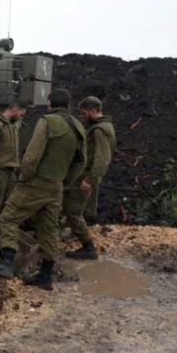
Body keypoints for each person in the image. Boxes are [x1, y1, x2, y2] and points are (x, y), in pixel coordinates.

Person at [0, 89, 86, 290]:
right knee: (48, 228)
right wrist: (64, 182)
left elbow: (32, 156)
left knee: (8, 217)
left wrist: (24, 178)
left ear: (49, 103)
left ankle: (7, 264)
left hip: (36, 183)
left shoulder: (47, 122)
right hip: (56, 186)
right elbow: (81, 161)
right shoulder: (78, 125)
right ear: (68, 104)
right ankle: (45, 275)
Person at [62, 96, 116, 259]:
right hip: (86, 175)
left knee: (73, 211)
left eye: (85, 113)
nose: (83, 116)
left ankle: (88, 247)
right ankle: (72, 234)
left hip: (86, 177)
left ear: (93, 111)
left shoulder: (100, 130)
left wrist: (89, 180)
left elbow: (101, 159)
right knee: (72, 207)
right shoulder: (103, 126)